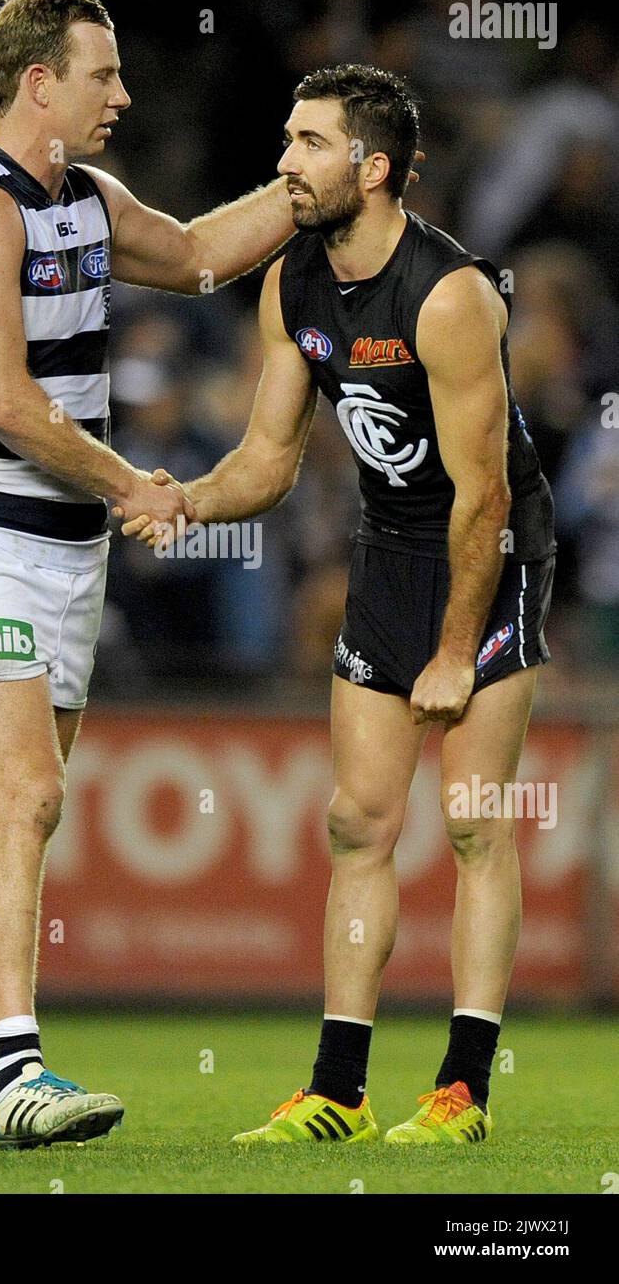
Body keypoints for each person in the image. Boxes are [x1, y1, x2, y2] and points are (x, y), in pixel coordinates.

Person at [0, 0, 298, 1149]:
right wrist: (135, 485)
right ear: (39, 83)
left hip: (69, 555)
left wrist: (304, 190)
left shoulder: (86, 197)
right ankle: (21, 1071)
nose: (122, 95)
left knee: (6, 818)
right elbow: (4, 402)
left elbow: (199, 254)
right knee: (26, 796)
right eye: (102, 75)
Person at [126, 64, 556, 1147]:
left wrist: (453, 654)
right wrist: (188, 498)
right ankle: (338, 1093)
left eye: (308, 143)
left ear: (372, 168)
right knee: (357, 821)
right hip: (391, 548)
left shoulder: (450, 295)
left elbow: (485, 495)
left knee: (473, 821)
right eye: (286, 138)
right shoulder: (292, 282)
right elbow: (268, 461)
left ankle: (462, 1092)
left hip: (492, 549)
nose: (284, 162)